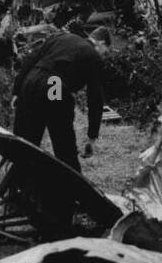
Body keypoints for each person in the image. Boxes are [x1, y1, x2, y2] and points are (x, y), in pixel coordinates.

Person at [12, 26, 110, 172]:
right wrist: (92, 136)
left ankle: (17, 186)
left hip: (30, 81)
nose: (104, 56)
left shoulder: (60, 37)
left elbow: (30, 60)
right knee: (63, 140)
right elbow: (95, 99)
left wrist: (17, 91)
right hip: (53, 83)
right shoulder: (93, 55)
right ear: (101, 43)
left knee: (26, 143)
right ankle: (71, 187)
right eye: (105, 52)